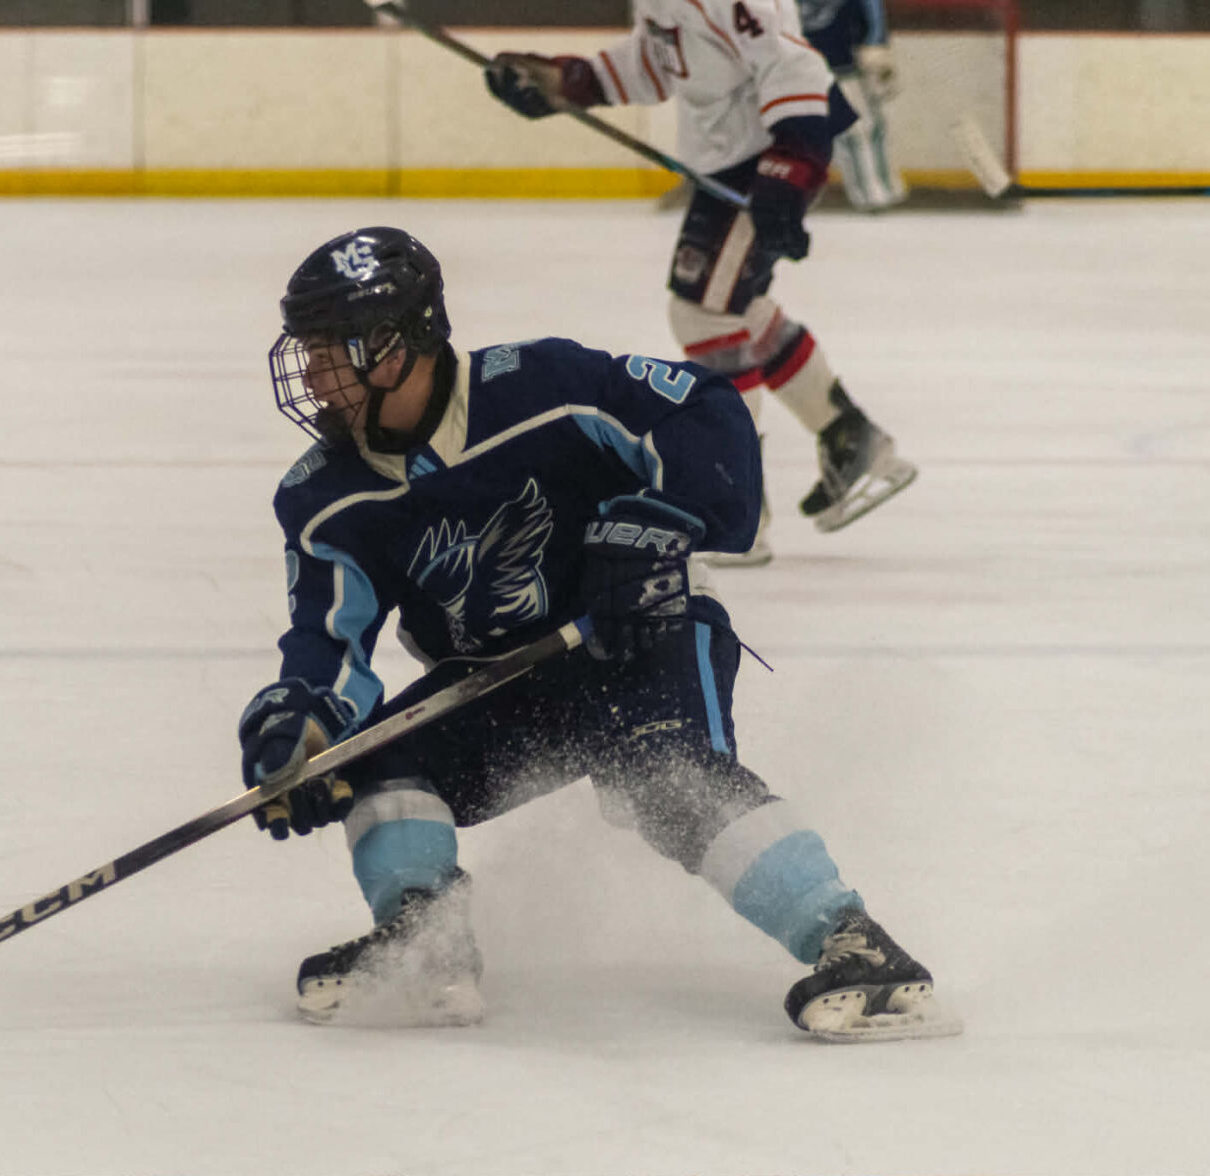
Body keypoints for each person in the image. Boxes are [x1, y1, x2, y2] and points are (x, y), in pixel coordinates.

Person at [238, 225, 958, 1041]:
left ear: (403, 344)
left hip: (640, 631)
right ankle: (425, 942)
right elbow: (330, 640)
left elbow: (704, 410)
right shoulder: (322, 497)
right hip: (502, 673)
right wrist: (301, 725)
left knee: (661, 779)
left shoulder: (542, 386)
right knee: (371, 760)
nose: (313, 376)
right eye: (308, 351)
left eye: (336, 349)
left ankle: (857, 948)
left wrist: (653, 524)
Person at [481, 0, 915, 565]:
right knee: (738, 310)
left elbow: (796, 67)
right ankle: (851, 440)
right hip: (734, 162)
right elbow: (659, 60)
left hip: (770, 159)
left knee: (704, 315)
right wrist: (568, 82)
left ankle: (739, 513)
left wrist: (791, 170)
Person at [798, 0, 908, 211]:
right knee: (853, 131)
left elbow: (872, 12)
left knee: (874, 125)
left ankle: (882, 188)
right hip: (815, 67)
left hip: (849, 64)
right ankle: (868, 193)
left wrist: (876, 43)